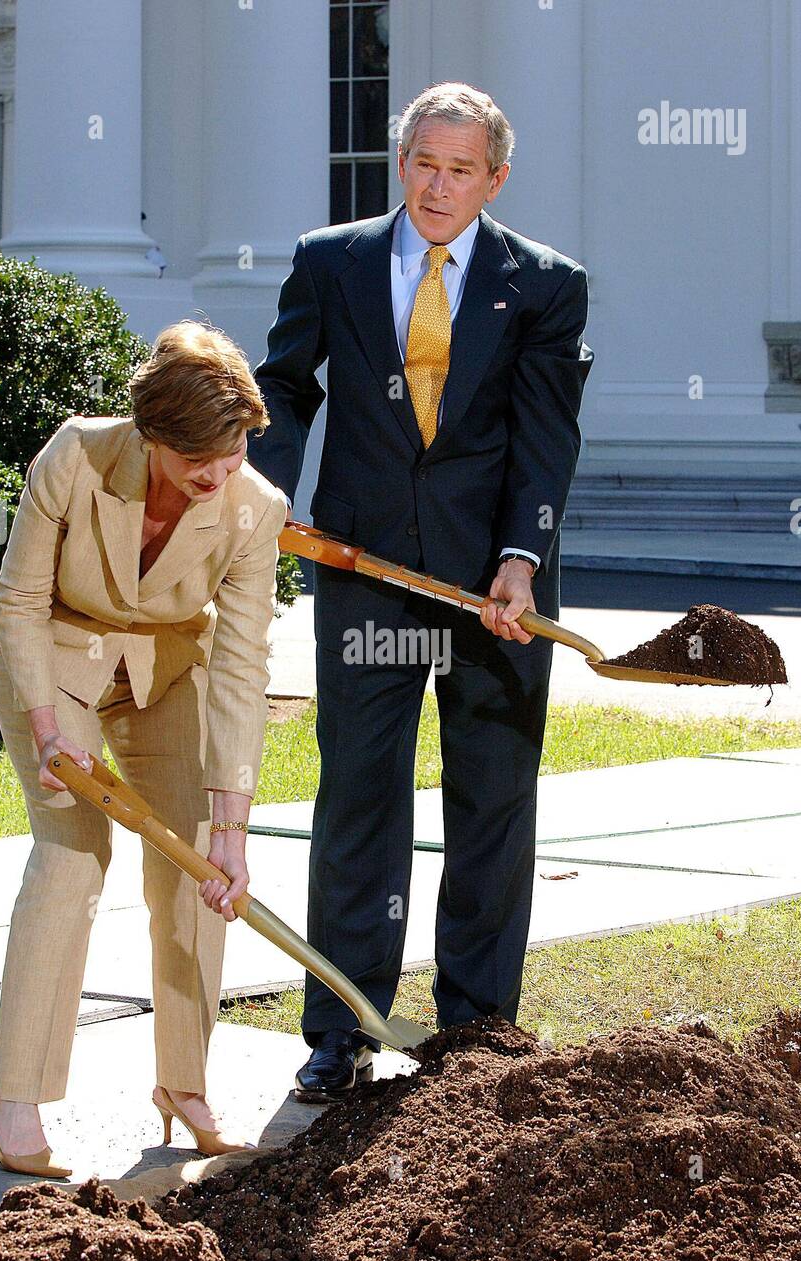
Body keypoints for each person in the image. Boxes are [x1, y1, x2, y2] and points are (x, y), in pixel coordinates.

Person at [251, 82, 594, 1101]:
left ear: (495, 177)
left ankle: (476, 1025)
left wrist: (520, 559)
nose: (439, 187)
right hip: (365, 576)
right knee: (360, 793)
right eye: (424, 163)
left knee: (492, 796)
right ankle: (342, 1027)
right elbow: (284, 383)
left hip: (497, 586)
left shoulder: (543, 284)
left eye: (462, 169)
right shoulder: (332, 261)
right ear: (400, 163)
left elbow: (545, 436)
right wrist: (268, 485)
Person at [0, 320, 288, 1175]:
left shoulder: (255, 508)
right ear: (153, 437)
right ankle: (13, 1098)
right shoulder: (76, 458)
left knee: (197, 862)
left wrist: (233, 826)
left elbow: (240, 665)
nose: (218, 483)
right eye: (200, 468)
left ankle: (184, 1083)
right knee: (76, 849)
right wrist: (47, 730)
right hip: (54, 659)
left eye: (231, 463)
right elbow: (17, 604)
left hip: (167, 669)